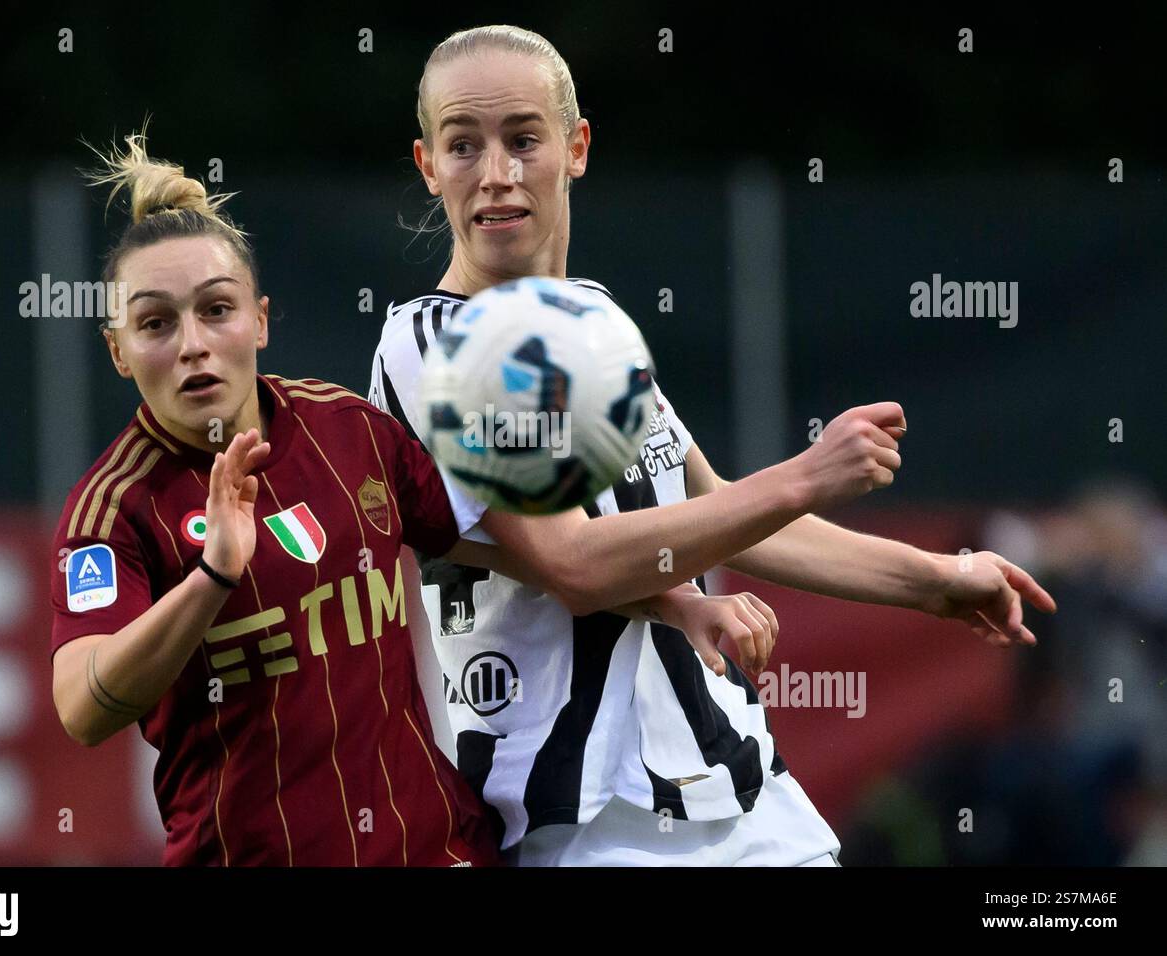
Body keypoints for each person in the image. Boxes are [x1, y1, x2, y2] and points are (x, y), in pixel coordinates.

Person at [368, 24, 1057, 866]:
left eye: (523, 139)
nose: (497, 174)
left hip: (736, 782)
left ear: (576, 146)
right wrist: (803, 477)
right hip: (579, 819)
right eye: (463, 146)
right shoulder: (428, 342)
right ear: (427, 164)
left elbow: (714, 505)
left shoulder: (597, 318)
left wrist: (939, 581)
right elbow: (573, 563)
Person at [49, 130, 812, 866]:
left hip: (435, 850)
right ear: (117, 350)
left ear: (261, 321)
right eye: (155, 323)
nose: (191, 343)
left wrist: (675, 601)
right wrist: (211, 578)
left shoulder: (349, 433)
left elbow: (522, 554)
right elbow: (85, 708)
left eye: (217, 309)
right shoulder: (114, 510)